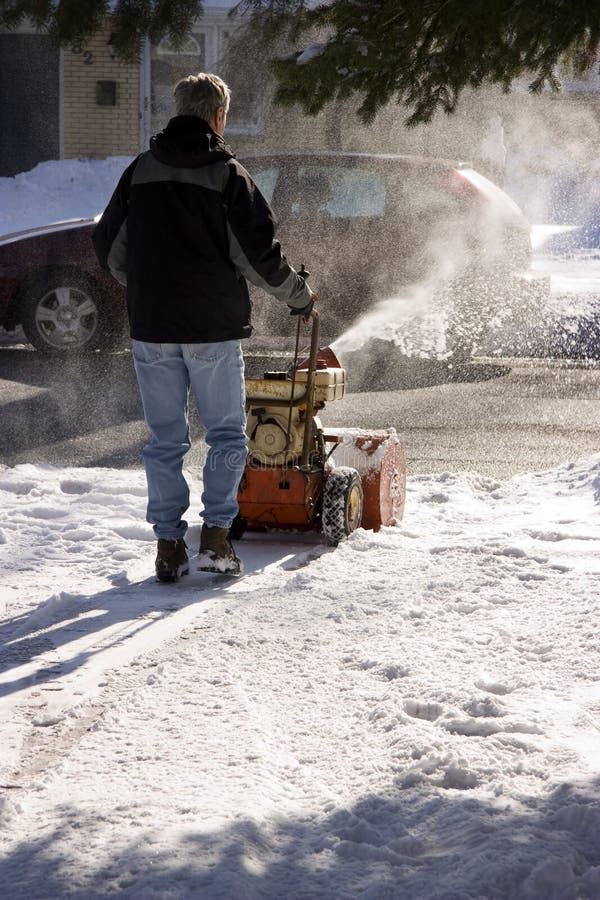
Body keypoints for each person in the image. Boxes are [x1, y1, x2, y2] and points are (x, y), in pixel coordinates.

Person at [92, 72, 315, 579]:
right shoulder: (228, 174)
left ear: (177, 112)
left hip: (152, 328)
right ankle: (215, 538)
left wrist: (147, 287)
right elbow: (259, 255)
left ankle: (169, 545)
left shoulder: (141, 171)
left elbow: (108, 248)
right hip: (213, 329)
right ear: (218, 116)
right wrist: (299, 298)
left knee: (165, 440)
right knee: (226, 436)